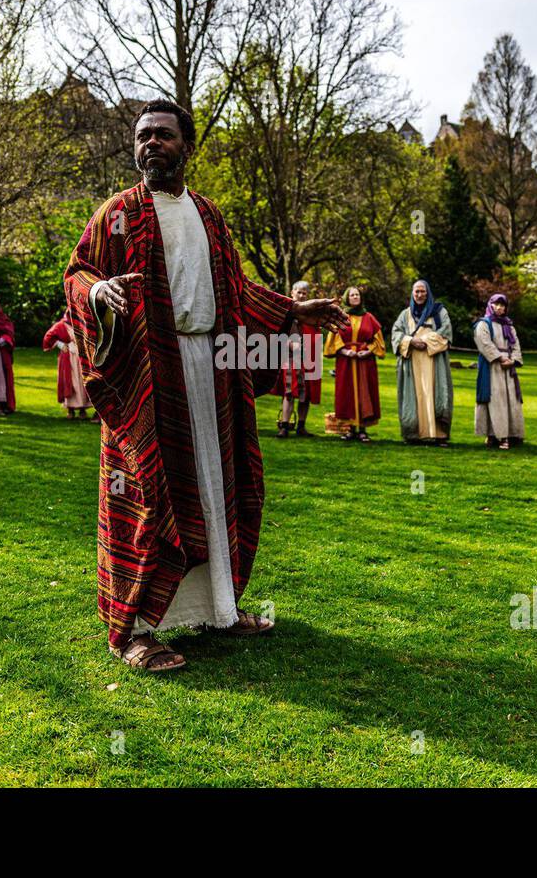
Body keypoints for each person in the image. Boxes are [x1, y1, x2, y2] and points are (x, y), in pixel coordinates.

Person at [63, 98, 346, 672]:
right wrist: (97, 293)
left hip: (212, 371)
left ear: (187, 146)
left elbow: (235, 290)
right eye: (143, 136)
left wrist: (292, 313)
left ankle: (219, 607)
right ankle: (137, 629)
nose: (151, 144)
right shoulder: (116, 214)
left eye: (163, 136)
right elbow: (76, 274)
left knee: (218, 488)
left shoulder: (210, 214)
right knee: (145, 494)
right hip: (148, 371)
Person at [391, 279, 453, 446]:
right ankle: (414, 434)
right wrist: (410, 341)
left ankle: (439, 435)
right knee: (414, 397)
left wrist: (425, 340)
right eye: (416, 291)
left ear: (428, 293)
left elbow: (446, 331)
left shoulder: (439, 312)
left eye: (422, 291)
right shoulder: (405, 314)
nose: (419, 295)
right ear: (412, 293)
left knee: (436, 396)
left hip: (434, 360)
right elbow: (396, 333)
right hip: (412, 363)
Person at [323, 286, 384, 442]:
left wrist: (369, 351)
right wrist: (344, 351)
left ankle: (362, 429)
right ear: (347, 298)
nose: (355, 297)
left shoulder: (369, 317)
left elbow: (378, 340)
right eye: (352, 295)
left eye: (357, 295)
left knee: (365, 392)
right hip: (346, 361)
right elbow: (333, 336)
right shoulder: (341, 316)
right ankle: (349, 428)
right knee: (346, 392)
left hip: (365, 361)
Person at [269, 280, 323, 438]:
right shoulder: (285, 311)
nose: (301, 295)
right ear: (292, 292)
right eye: (298, 292)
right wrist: (289, 343)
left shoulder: (312, 312)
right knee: (290, 391)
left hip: (310, 357)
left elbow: (317, 332)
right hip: (291, 357)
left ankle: (301, 426)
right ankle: (284, 425)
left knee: (307, 393)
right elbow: (276, 333)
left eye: (304, 293)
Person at [472, 293, 524, 448]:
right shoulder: (483, 324)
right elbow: (484, 344)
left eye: (503, 305)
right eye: (497, 304)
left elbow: (516, 346)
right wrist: (500, 358)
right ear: (491, 305)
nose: (500, 308)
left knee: (510, 401)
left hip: (508, 368)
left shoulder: (509, 325)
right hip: (492, 367)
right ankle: (498, 435)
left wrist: (513, 360)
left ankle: (513, 434)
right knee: (495, 400)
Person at [43, 310, 96, 420]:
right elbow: (48, 337)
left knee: (82, 382)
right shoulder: (61, 325)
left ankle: (82, 410)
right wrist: (60, 344)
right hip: (68, 358)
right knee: (69, 381)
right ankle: (70, 410)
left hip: (81, 357)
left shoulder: (82, 325)